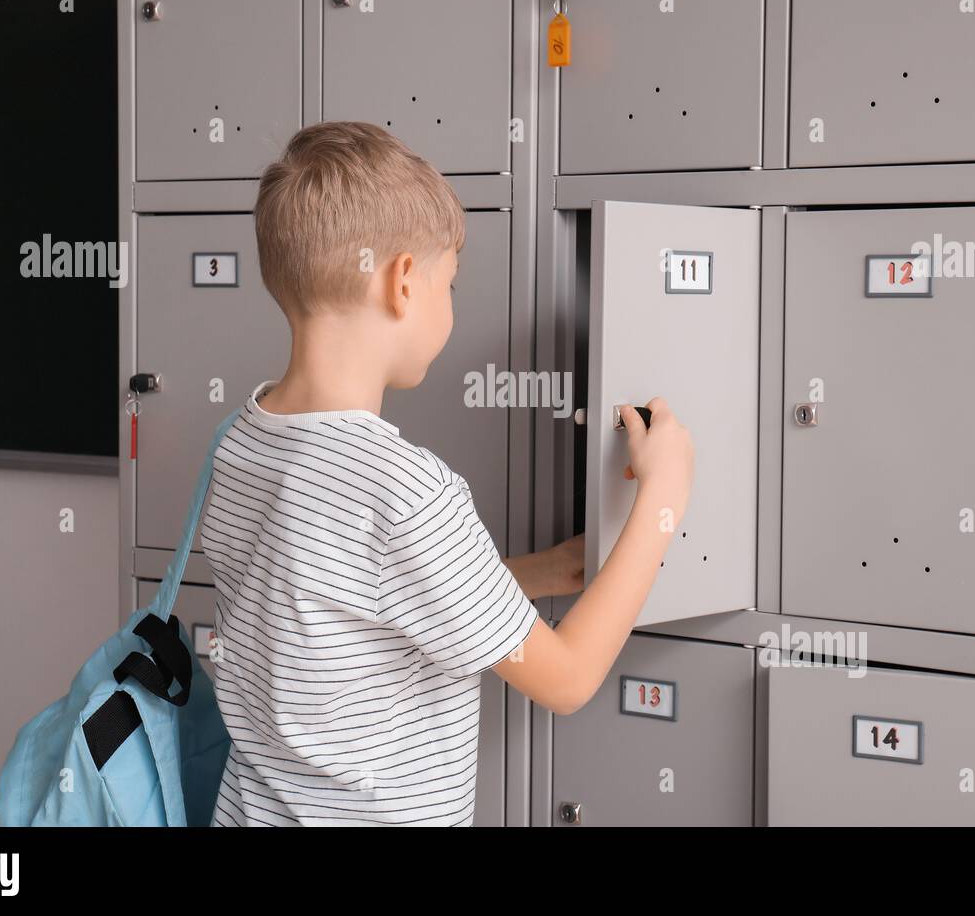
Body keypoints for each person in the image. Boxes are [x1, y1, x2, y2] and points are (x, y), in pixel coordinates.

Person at [200, 121, 693, 825]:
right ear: (403, 282)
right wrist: (662, 500)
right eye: (449, 284)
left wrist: (534, 575)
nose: (450, 303)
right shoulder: (405, 488)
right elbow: (569, 680)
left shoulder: (240, 440)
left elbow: (344, 601)